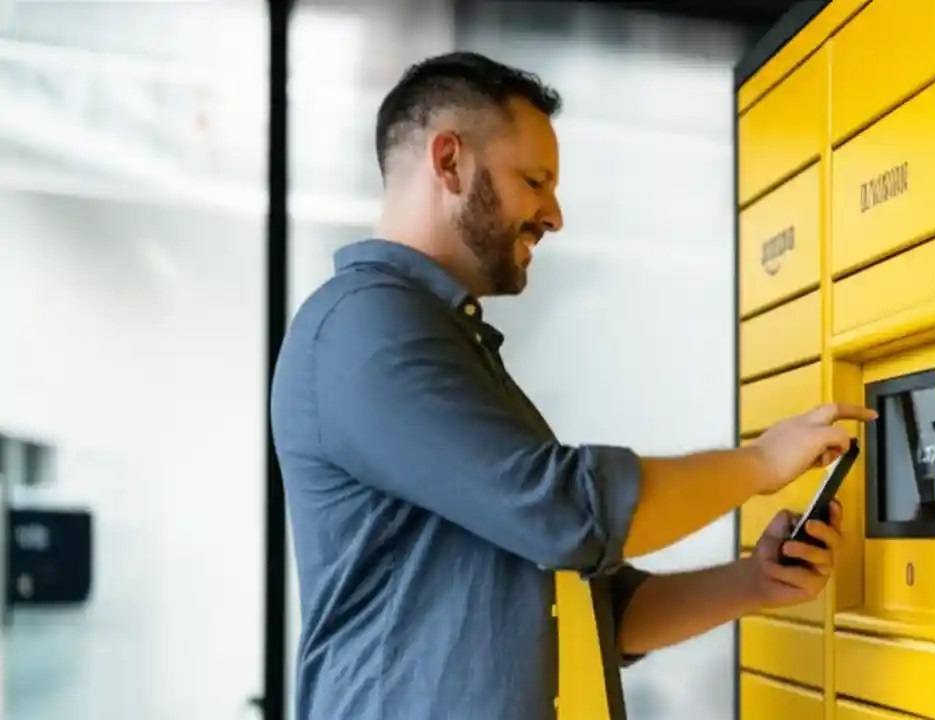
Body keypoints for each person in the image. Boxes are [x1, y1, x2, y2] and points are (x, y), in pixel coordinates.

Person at [269, 51, 876, 720]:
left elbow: (596, 609)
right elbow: (567, 515)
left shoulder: (445, 344)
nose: (553, 214)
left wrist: (754, 581)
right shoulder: (364, 329)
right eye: (535, 180)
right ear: (448, 162)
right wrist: (760, 463)